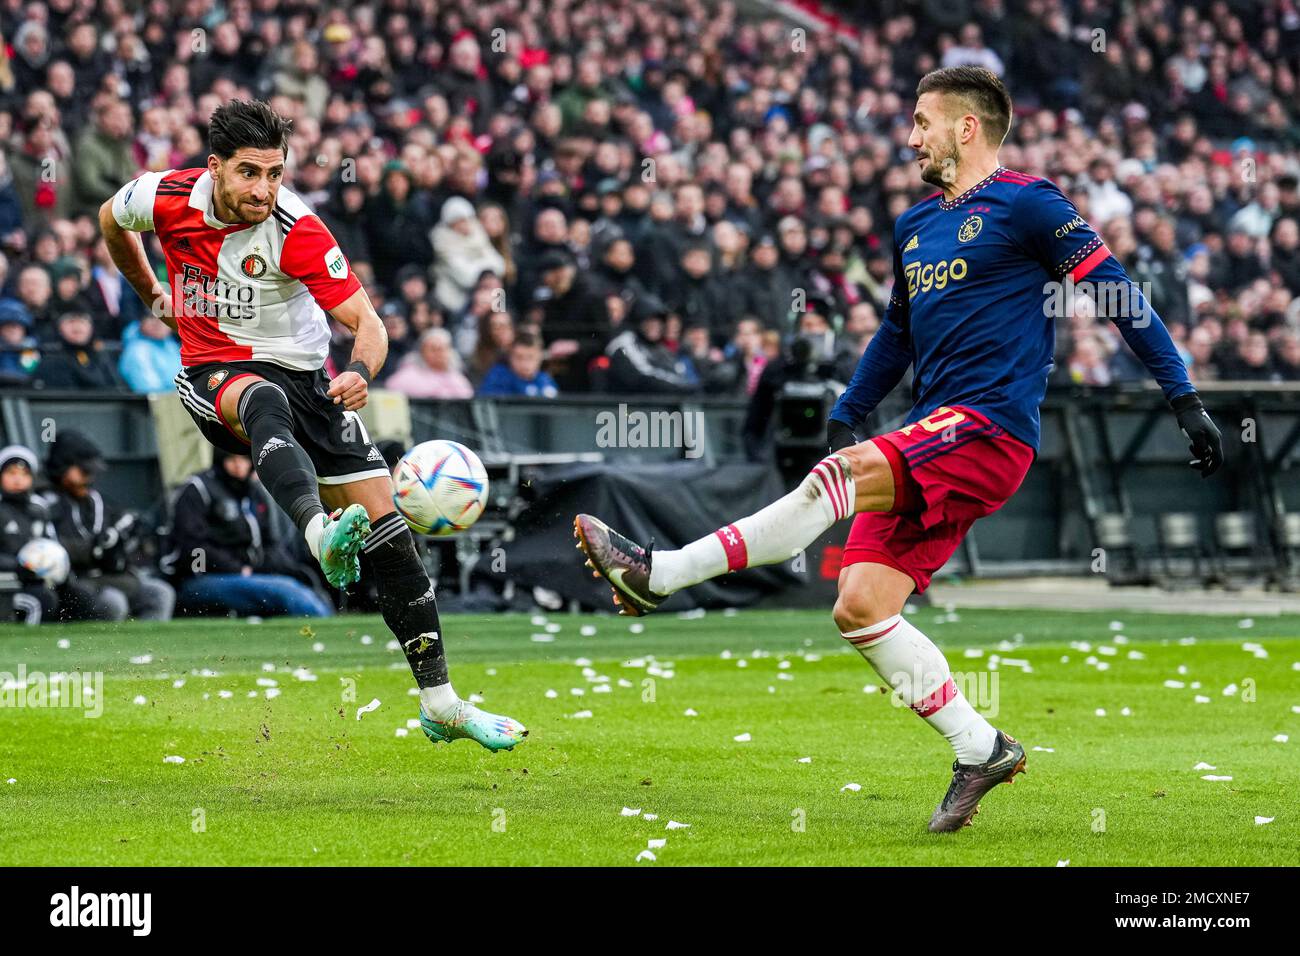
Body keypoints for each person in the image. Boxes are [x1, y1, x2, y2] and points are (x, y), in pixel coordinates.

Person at [574, 67, 1224, 833]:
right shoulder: (914, 226)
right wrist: (849, 411)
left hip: (988, 427)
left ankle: (661, 575)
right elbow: (896, 333)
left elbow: (1118, 293)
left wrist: (1182, 396)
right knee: (859, 607)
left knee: (837, 481)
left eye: (922, 121)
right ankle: (981, 748)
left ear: (966, 127)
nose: (911, 137)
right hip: (933, 429)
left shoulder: (1029, 203)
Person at [99, 100, 524, 751]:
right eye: (249, 173)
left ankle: (440, 703)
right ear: (214, 168)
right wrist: (151, 291)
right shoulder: (165, 195)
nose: (264, 189)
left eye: (274, 172)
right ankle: (319, 533)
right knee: (263, 398)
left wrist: (360, 370)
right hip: (217, 372)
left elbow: (370, 324)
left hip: (312, 386)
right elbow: (109, 217)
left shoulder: (298, 227)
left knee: (390, 537)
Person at [166, 450, 333, 618]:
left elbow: (269, 544)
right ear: (219, 460)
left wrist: (288, 568)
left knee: (309, 587)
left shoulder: (253, 492)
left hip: (251, 574)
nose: (238, 465)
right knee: (288, 592)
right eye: (231, 459)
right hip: (201, 579)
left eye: (244, 459)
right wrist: (237, 568)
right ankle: (326, 635)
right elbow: (193, 547)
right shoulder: (198, 489)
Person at [41, 429, 175, 621]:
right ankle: (108, 650)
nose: (89, 478)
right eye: (84, 471)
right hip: (73, 582)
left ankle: (148, 649)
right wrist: (95, 549)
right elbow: (49, 549)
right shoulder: (43, 503)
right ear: (63, 468)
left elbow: (122, 531)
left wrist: (122, 540)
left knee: (159, 593)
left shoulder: (96, 501)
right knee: (113, 602)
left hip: (108, 576)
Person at [384, 327, 474, 399]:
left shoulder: (457, 378)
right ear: (422, 351)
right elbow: (391, 389)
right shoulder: (407, 375)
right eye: (433, 349)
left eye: (443, 349)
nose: (439, 353)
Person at [478, 332, 558, 397]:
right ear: (510, 357)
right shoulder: (497, 376)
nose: (525, 363)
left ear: (540, 357)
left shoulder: (544, 379)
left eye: (530, 357)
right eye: (519, 357)